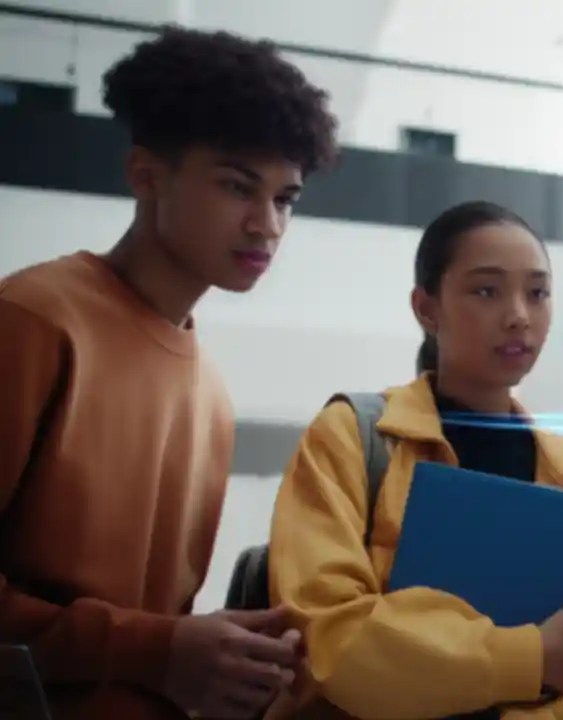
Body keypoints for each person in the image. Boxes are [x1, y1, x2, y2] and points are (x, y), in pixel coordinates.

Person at [0, 26, 338, 720]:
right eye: (238, 186)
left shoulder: (210, 391)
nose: (267, 225)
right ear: (146, 174)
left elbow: (156, 629)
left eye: (285, 198)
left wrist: (226, 658)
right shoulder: (33, 321)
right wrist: (158, 651)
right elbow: (144, 642)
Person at [265, 201, 563, 719]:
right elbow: (332, 638)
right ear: (426, 308)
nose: (519, 315)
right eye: (486, 291)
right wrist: (530, 655)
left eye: (537, 293)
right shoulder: (356, 438)